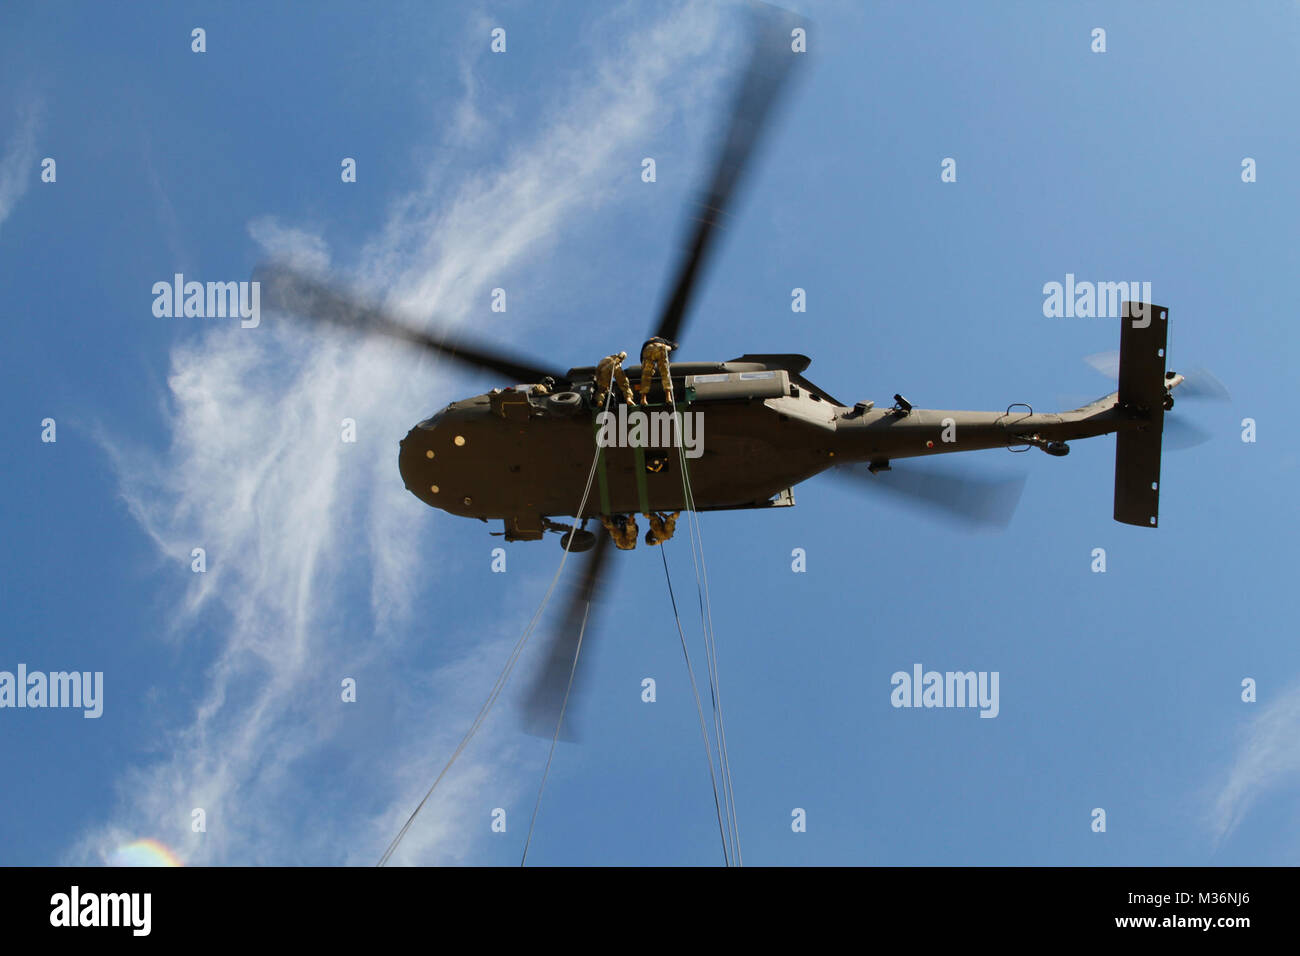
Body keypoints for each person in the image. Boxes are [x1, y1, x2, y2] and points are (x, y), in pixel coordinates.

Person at [638, 336, 678, 405]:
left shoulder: (646, 343)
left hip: (647, 349)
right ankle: (668, 397)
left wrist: (645, 367)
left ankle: (643, 399)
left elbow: (642, 356)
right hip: (660, 347)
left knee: (646, 376)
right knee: (665, 373)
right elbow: (674, 345)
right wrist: (672, 347)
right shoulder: (662, 339)